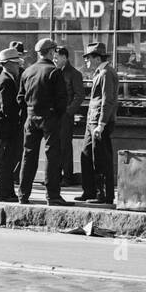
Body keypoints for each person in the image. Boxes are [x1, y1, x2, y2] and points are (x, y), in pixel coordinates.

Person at [17, 38, 68, 206]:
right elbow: (62, 100)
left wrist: (30, 110)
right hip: (49, 117)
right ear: (51, 52)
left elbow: (20, 98)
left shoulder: (27, 71)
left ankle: (23, 195)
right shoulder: (54, 72)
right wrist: (56, 114)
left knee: (28, 156)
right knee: (52, 156)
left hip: (31, 117)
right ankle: (52, 195)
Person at [77, 41, 118, 205]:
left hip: (99, 121)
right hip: (92, 120)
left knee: (100, 158)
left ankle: (104, 195)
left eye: (88, 57)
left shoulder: (106, 73)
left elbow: (108, 100)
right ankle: (89, 191)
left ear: (96, 57)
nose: (86, 61)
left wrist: (101, 124)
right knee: (87, 155)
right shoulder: (100, 72)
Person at [0, 47, 25, 202]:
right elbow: (7, 107)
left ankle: (7, 192)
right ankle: (3, 193)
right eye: (16, 64)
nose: (18, 66)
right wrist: (17, 119)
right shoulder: (6, 81)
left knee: (7, 161)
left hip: (3, 128)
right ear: (8, 64)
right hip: (6, 128)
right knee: (6, 162)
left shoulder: (5, 78)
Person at [55, 46, 85, 187]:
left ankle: (67, 177)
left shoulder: (74, 74)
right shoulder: (54, 72)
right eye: (53, 57)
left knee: (65, 147)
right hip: (53, 115)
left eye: (57, 57)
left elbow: (79, 95)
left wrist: (69, 112)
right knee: (54, 146)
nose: (54, 60)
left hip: (65, 116)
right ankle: (55, 176)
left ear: (65, 58)